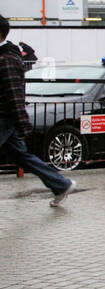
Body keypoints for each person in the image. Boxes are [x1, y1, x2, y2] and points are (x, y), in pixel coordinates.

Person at [0, 15, 75, 206]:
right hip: (6, 119)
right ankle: (61, 184)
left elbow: (14, 94)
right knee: (22, 157)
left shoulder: (6, 59)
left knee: (22, 156)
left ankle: (61, 184)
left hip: (3, 118)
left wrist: (23, 124)